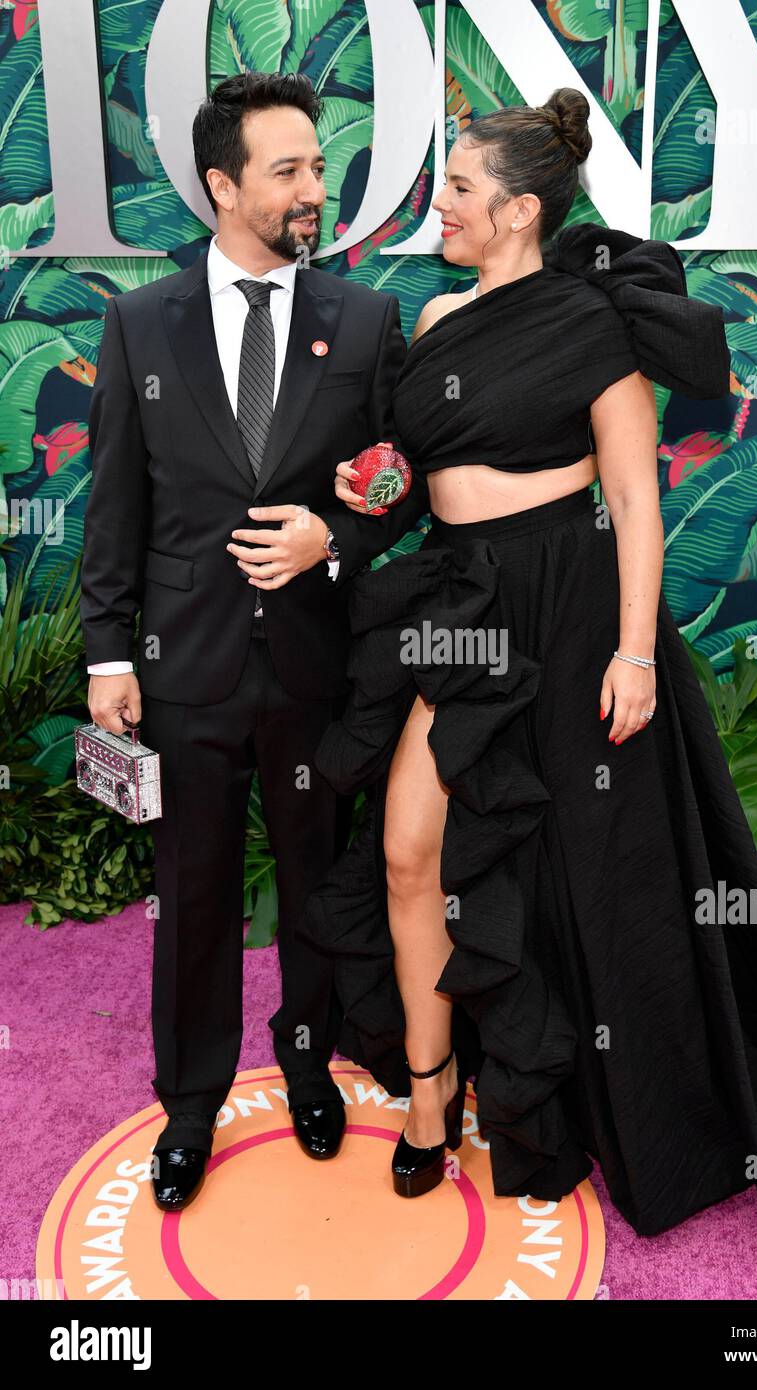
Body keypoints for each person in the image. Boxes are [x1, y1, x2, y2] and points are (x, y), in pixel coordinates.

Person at [297, 87, 757, 1263]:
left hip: (575, 606)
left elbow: (635, 494)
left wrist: (635, 653)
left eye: (463, 192)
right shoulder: (431, 326)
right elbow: (408, 481)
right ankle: (432, 1096)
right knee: (410, 845)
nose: (443, 210)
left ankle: (598, 1098)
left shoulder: (594, 320)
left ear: (520, 210)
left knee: (587, 868)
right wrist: (352, 503)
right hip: (465, 600)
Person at [80, 72, 429, 1211]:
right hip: (186, 667)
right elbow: (116, 500)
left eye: (319, 168)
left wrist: (336, 531)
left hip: (316, 664)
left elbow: (403, 485)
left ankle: (308, 1058)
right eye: (290, 171)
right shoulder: (140, 322)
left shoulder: (366, 319)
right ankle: (190, 1102)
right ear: (223, 186)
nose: (315, 191)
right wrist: (108, 653)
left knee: (322, 880)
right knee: (192, 890)